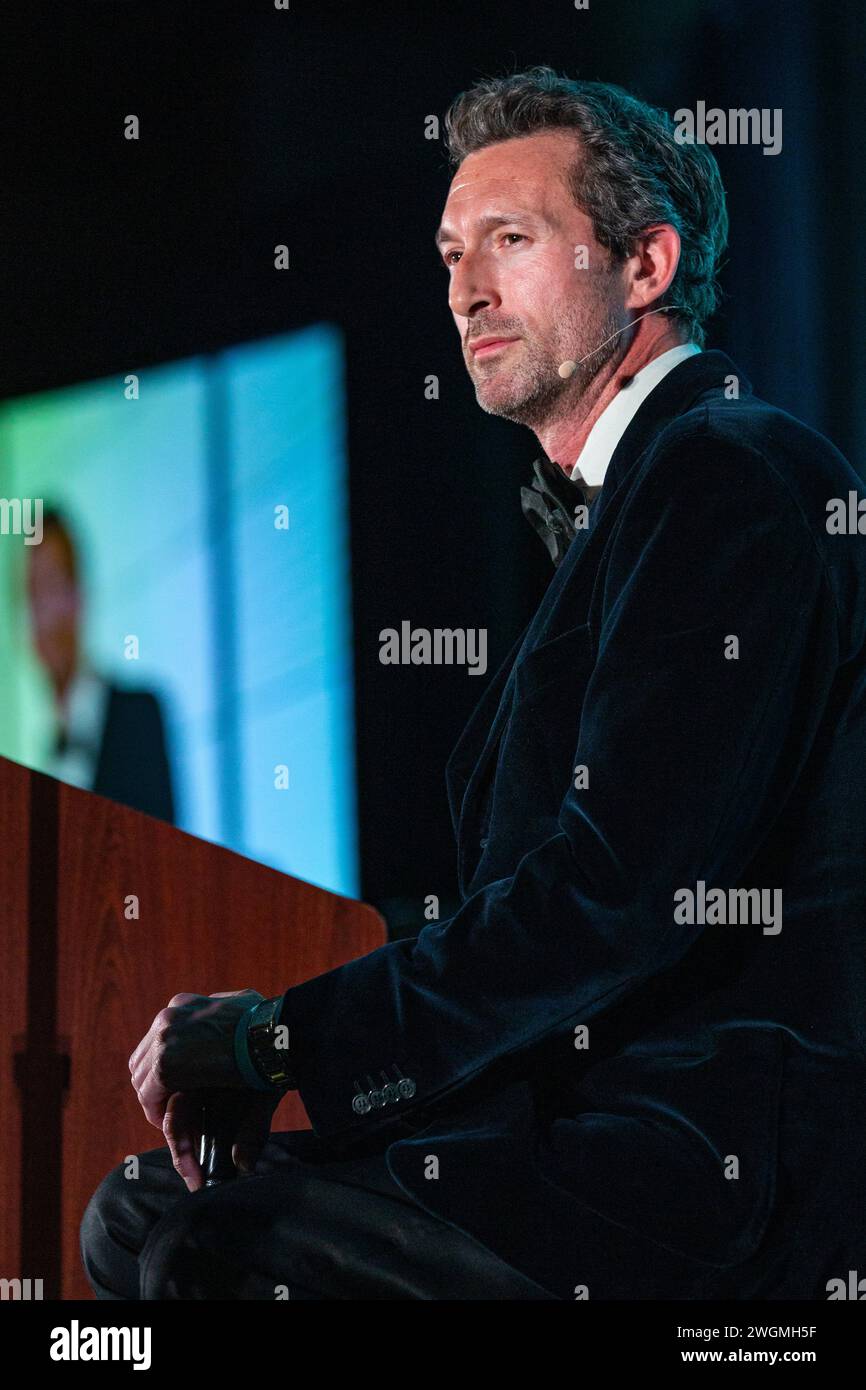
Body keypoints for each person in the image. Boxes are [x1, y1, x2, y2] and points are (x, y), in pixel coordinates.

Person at [81, 66, 866, 1301]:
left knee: (208, 1247)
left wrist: (280, 1035)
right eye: (451, 251)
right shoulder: (641, 499)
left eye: (510, 239)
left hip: (694, 1167)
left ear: (644, 265)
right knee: (140, 1211)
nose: (462, 288)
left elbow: (615, 892)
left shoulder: (728, 469)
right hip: (571, 1127)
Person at [26, 507, 175, 824]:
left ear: (78, 594)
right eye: (31, 594)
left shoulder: (138, 714)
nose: (41, 613)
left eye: (51, 584)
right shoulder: (48, 754)